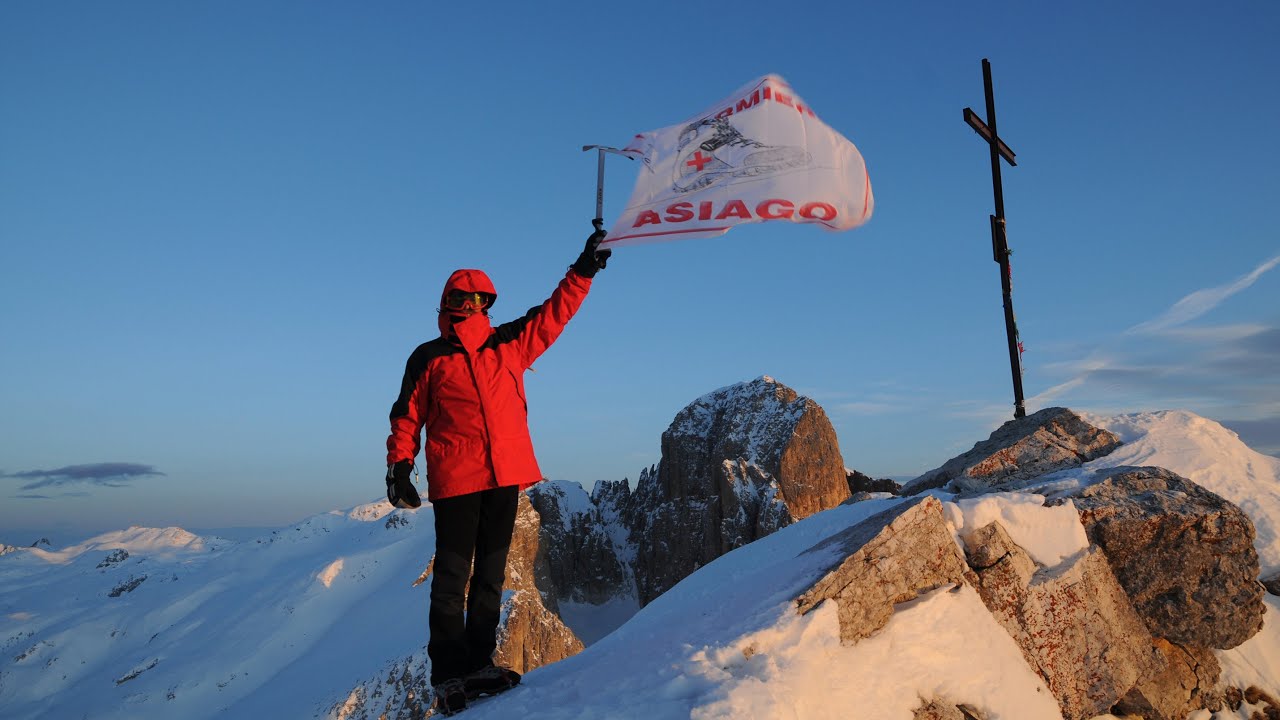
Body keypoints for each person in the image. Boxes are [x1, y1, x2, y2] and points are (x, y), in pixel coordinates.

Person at [384, 223, 611, 715]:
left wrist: (584, 268)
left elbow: (555, 313)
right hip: (457, 480)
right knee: (451, 578)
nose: (474, 305)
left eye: (480, 298)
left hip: (505, 475)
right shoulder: (429, 358)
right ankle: (448, 674)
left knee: (489, 576)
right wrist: (400, 466)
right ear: (450, 303)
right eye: (466, 298)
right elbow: (407, 416)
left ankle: (480, 663)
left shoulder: (509, 343)